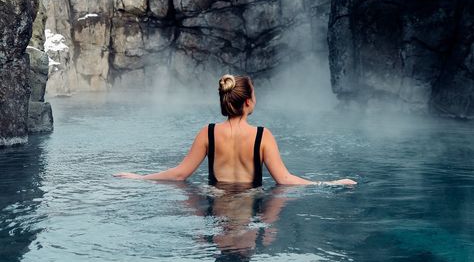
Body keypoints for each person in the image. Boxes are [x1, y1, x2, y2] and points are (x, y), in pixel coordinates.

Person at [114, 74, 357, 187]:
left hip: (215, 203)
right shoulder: (262, 136)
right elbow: (284, 180)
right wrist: (330, 183)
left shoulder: (207, 133)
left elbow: (180, 174)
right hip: (249, 205)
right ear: (248, 102)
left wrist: (140, 177)